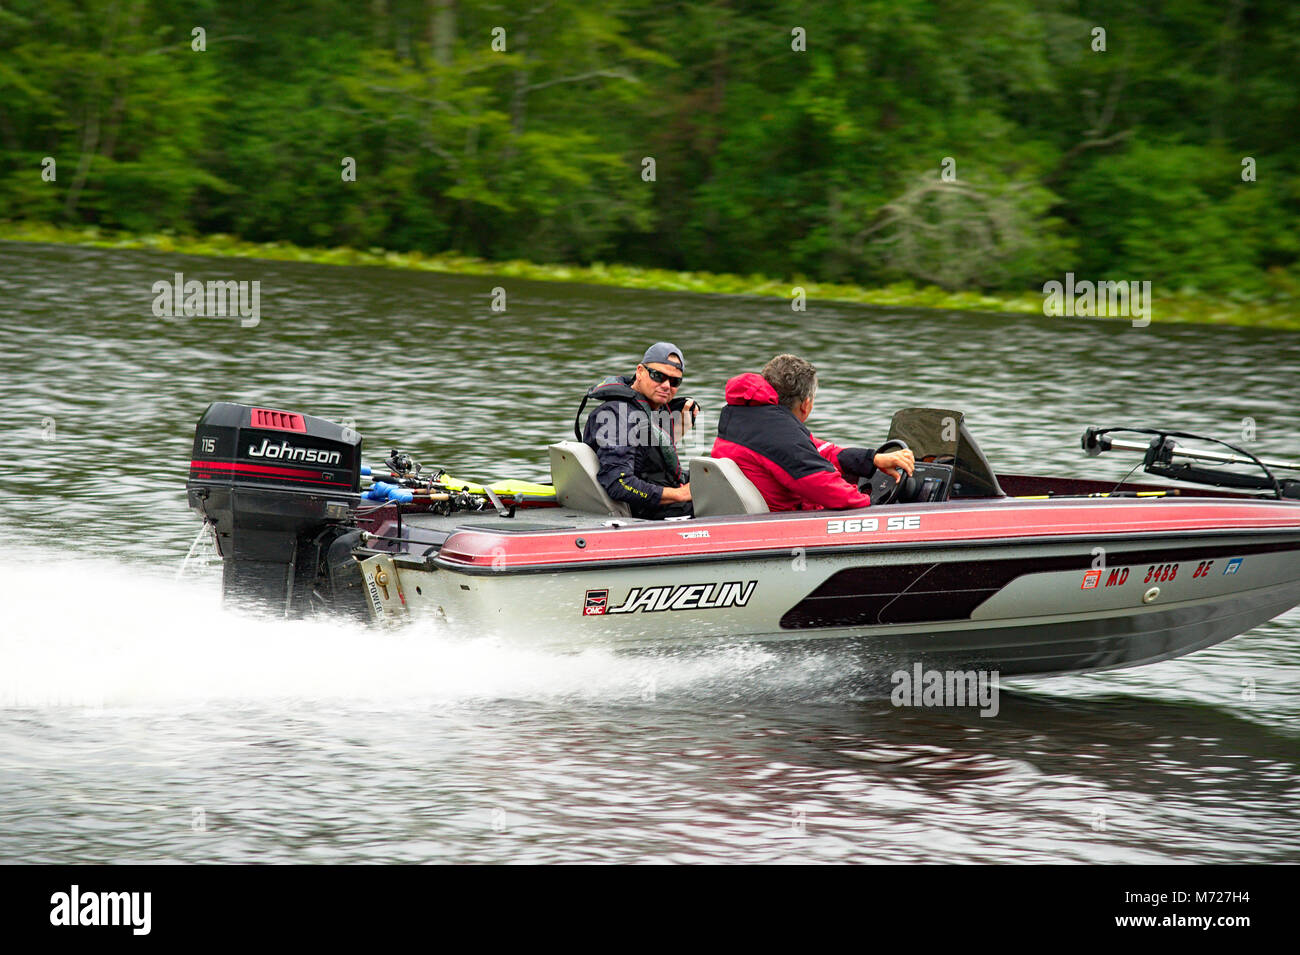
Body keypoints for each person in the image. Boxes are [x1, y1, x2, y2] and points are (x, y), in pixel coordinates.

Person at [711, 353, 914, 512]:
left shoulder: (746, 413)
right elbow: (829, 489)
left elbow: (813, 449)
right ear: (806, 404)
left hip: (753, 517)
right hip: (780, 528)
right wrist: (872, 503)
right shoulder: (780, 434)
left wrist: (871, 459)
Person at [577, 342, 699, 519]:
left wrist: (675, 432)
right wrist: (680, 494)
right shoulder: (616, 415)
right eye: (658, 376)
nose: (666, 385)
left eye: (674, 381)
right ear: (640, 371)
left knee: (717, 481)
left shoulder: (648, 409)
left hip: (656, 499)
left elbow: (648, 463)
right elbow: (618, 483)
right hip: (646, 513)